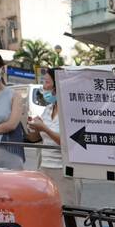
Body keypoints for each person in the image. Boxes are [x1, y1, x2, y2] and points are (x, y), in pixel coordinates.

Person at [24, 69, 83, 206]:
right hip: (44, 169)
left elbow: (68, 142)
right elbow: (35, 139)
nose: (43, 86)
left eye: (46, 82)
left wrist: (44, 128)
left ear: (58, 86)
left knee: (67, 215)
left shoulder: (71, 110)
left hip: (64, 172)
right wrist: (31, 126)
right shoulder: (48, 109)